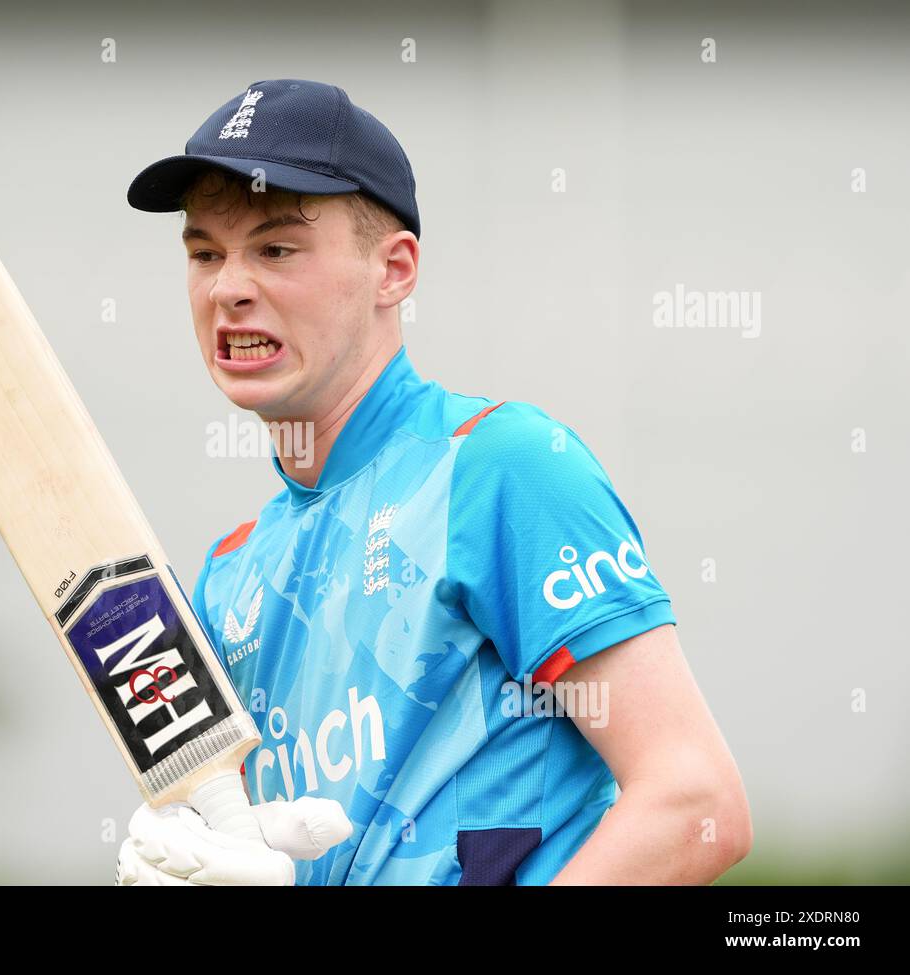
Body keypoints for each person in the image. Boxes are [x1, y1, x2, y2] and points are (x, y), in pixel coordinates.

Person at [116, 78, 752, 885]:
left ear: (395, 270)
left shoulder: (501, 464)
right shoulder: (228, 572)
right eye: (205, 252)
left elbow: (695, 804)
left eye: (275, 249)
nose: (227, 287)